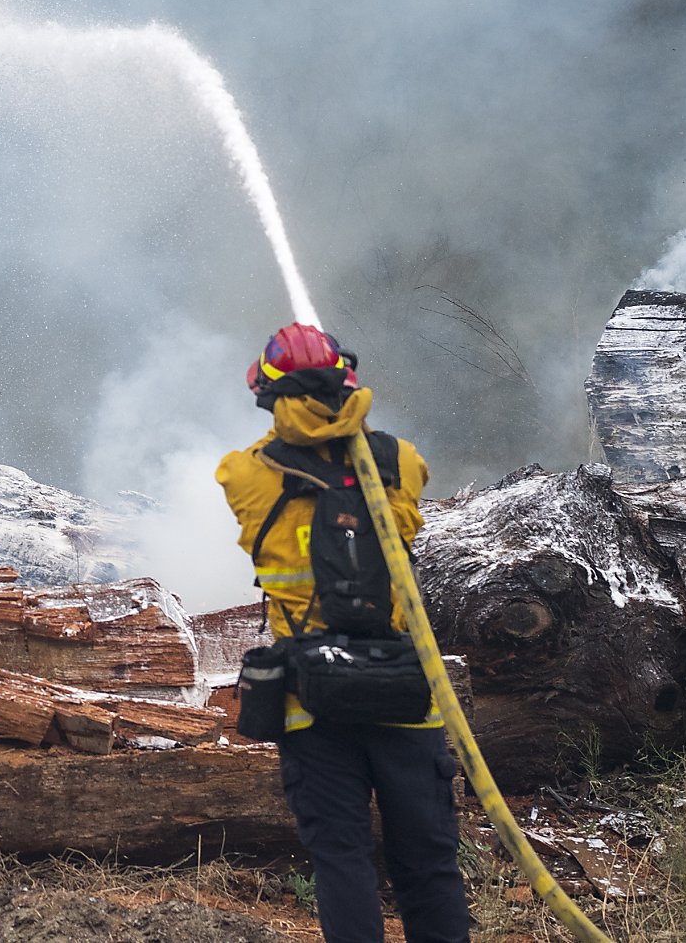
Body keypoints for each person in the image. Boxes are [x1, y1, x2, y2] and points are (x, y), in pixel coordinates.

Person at [216, 322, 472, 943]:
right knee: (430, 867)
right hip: (404, 695)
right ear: (347, 383)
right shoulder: (402, 463)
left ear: (269, 394)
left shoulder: (245, 475)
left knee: (343, 863)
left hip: (312, 704)